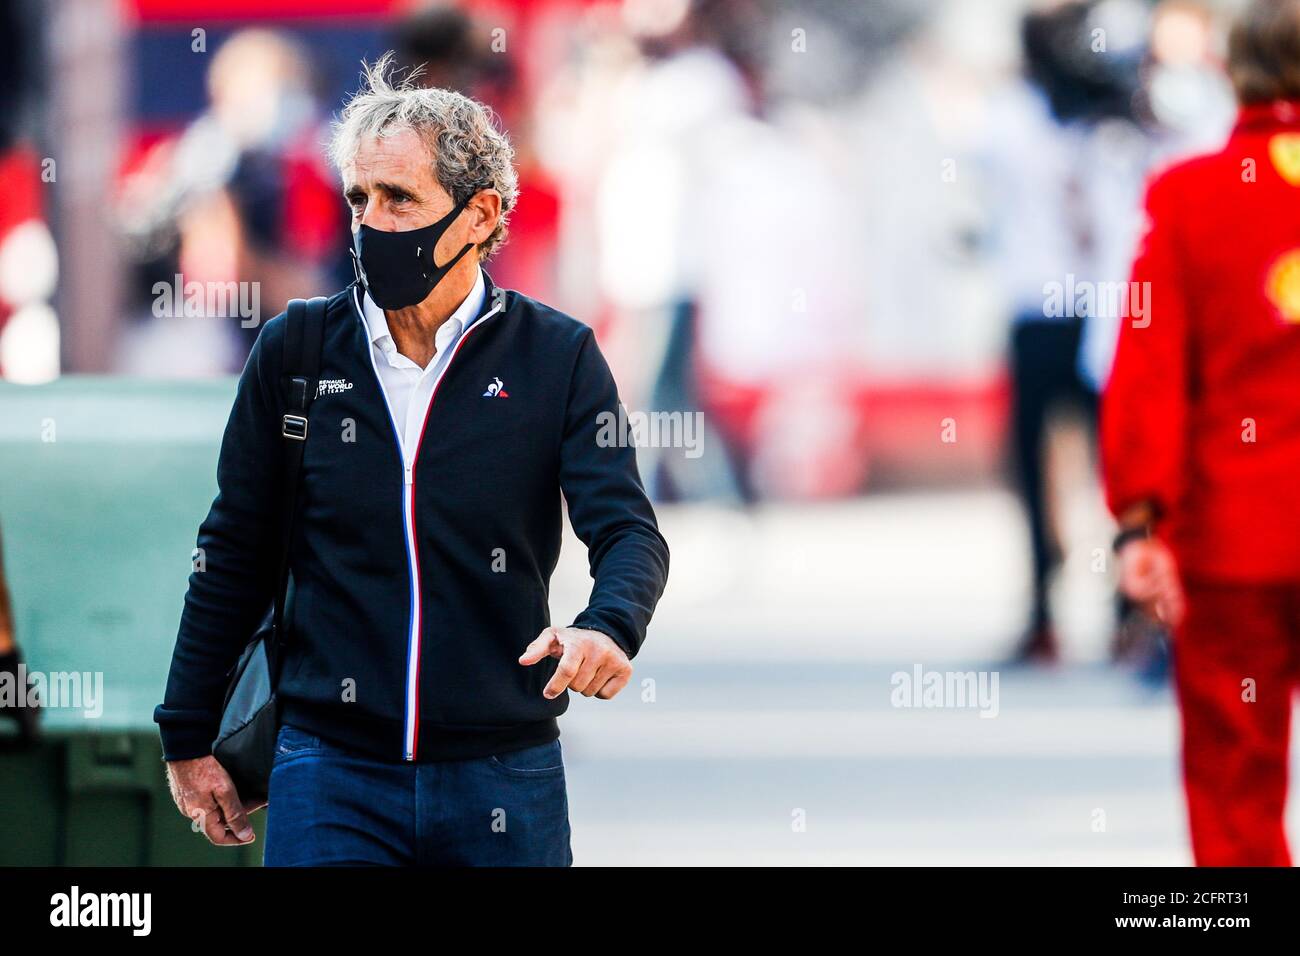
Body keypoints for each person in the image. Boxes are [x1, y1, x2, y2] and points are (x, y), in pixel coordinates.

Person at [154, 56, 670, 866]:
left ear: (479, 214)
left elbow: (629, 532)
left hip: (504, 773)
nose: (371, 222)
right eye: (359, 198)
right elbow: (231, 552)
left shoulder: (555, 357)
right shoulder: (297, 349)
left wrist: (609, 627)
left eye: (400, 199)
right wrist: (186, 733)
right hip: (329, 770)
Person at [1103, 0, 1300, 866]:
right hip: (1239, 537)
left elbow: (1149, 372)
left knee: (1232, 783)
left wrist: (1141, 520)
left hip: (1236, 541)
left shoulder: (1186, 196)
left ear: (1230, 71)